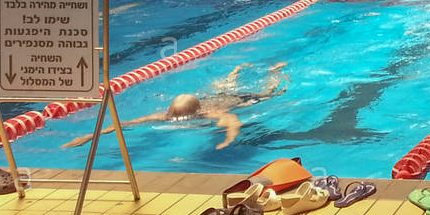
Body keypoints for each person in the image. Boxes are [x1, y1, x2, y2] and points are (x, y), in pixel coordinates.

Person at [65, 63, 288, 151]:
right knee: (222, 85)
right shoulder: (166, 115)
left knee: (270, 94)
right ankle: (235, 71)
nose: (172, 118)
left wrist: (228, 139)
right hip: (215, 95)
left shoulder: (211, 112)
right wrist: (90, 136)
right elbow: (124, 123)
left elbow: (232, 120)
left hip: (235, 98)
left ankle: (275, 72)